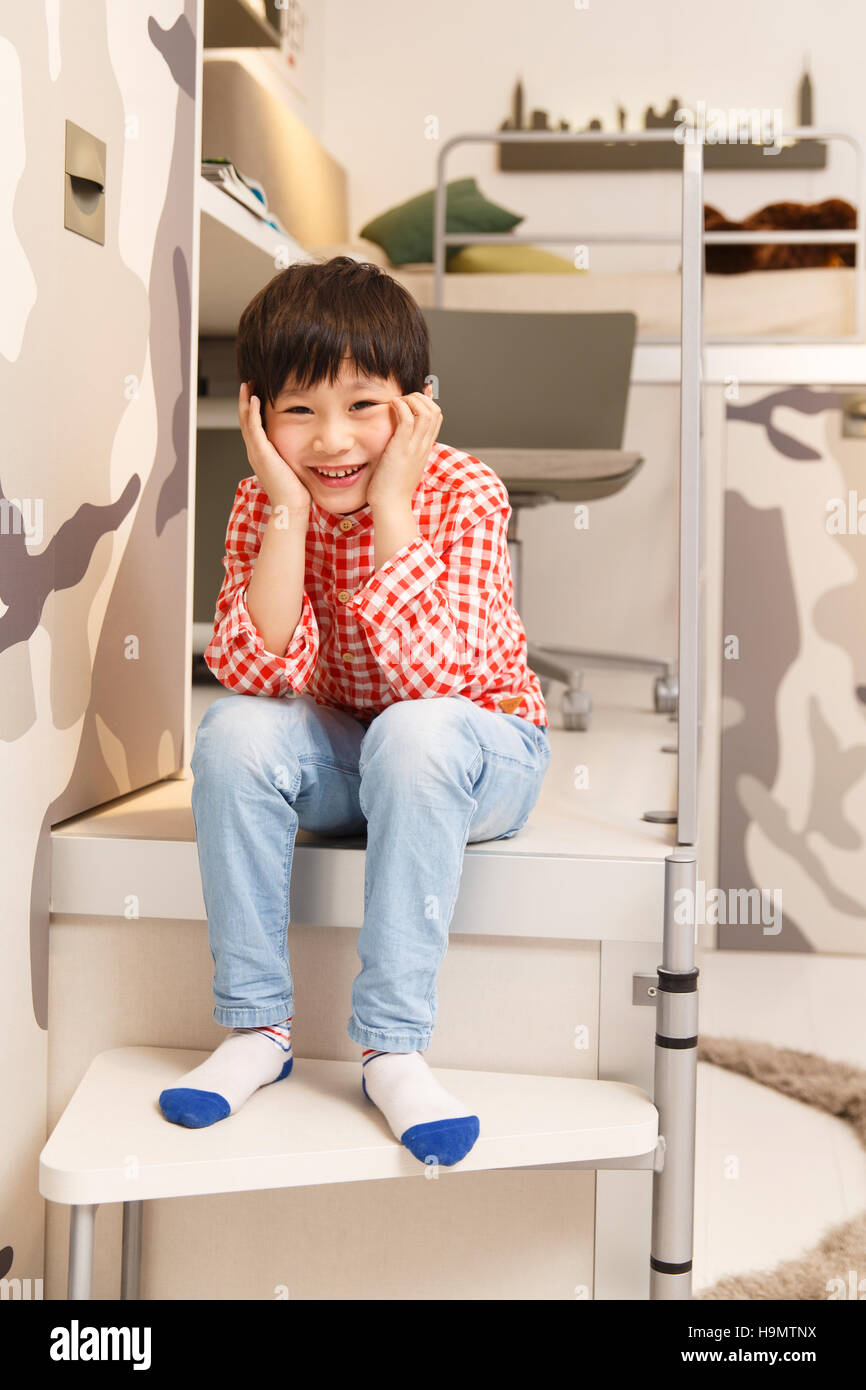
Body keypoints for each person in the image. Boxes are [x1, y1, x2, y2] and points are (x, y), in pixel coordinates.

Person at [159, 257, 551, 1167]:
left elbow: (432, 681)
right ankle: (257, 1030)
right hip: (358, 753)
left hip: (478, 750)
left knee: (413, 732)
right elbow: (256, 674)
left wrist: (392, 506)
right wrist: (288, 513)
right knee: (232, 732)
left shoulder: (465, 493)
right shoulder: (263, 500)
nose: (332, 440)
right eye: (299, 411)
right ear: (258, 414)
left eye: (363, 406)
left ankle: (392, 1046)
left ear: (416, 407)